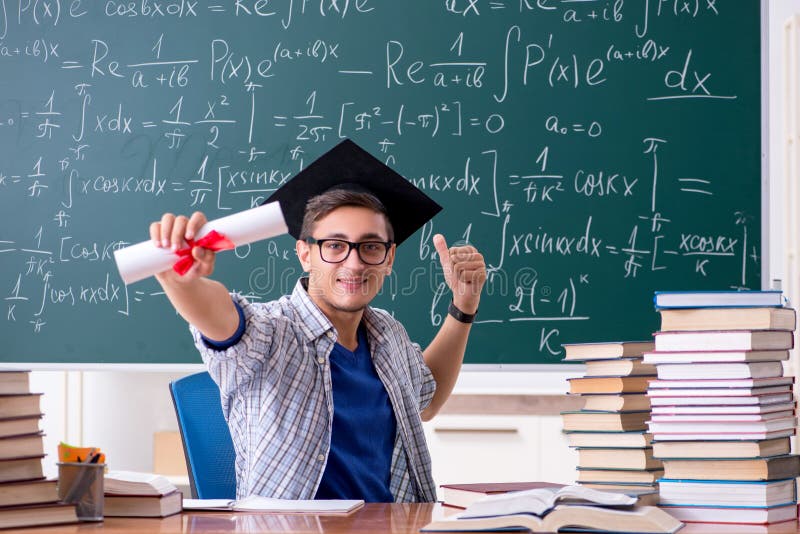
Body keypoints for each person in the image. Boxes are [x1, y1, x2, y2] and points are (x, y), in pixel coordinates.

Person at [151, 140, 487, 503]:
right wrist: (182, 280)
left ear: (389, 259)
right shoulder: (273, 332)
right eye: (335, 245)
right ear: (305, 254)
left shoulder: (387, 334)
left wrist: (463, 305)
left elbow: (428, 398)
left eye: (370, 246)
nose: (354, 263)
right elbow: (219, 316)